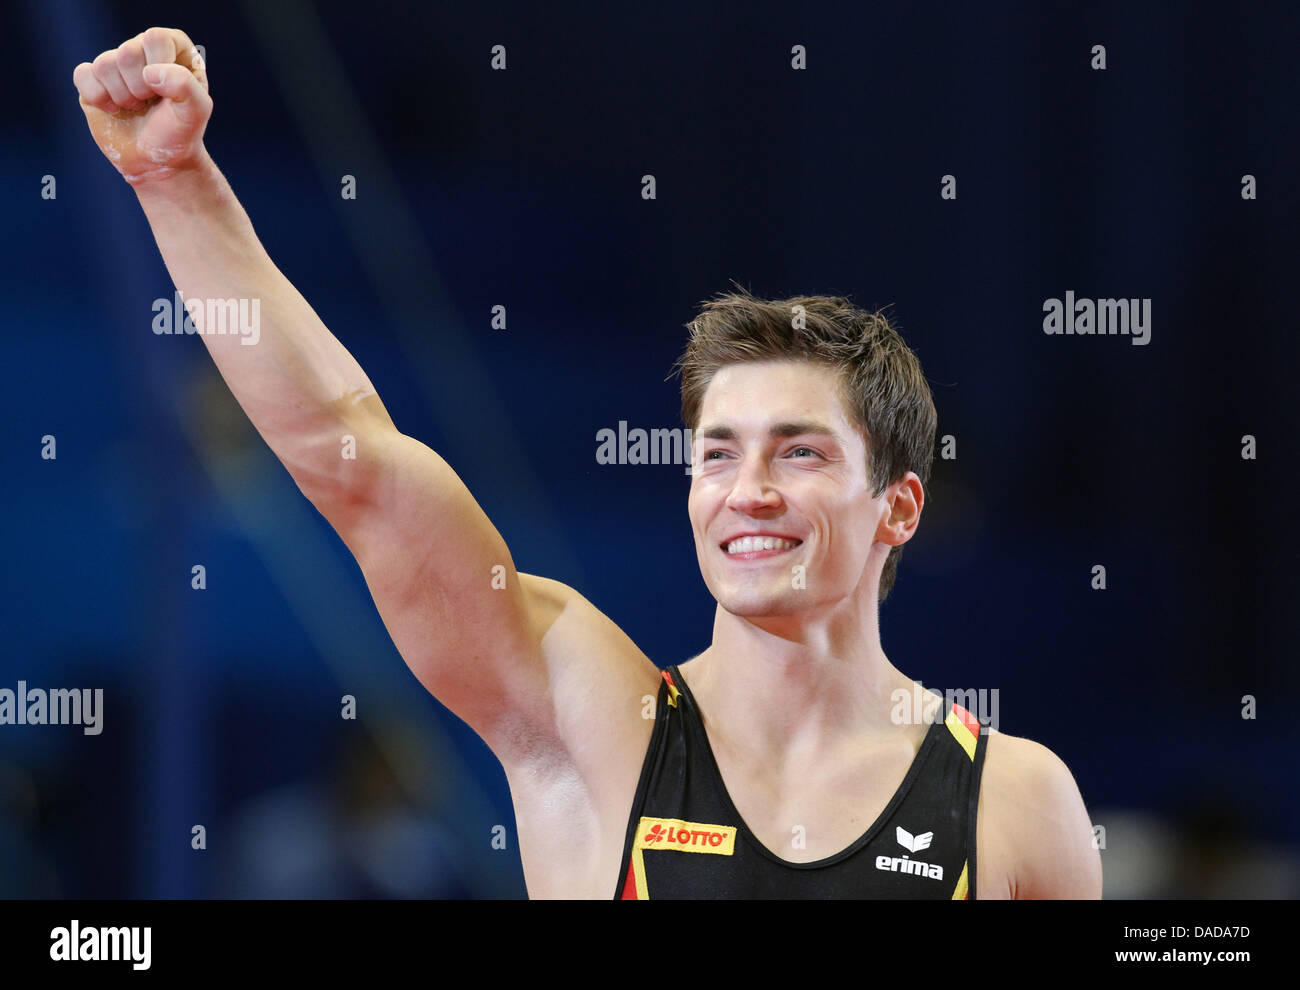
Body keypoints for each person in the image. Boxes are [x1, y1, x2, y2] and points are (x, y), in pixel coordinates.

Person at [73, 26, 1103, 899]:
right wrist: (174, 183)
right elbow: (358, 466)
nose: (748, 490)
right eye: (718, 453)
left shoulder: (1014, 803)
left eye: (799, 453)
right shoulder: (588, 717)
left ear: (900, 505)